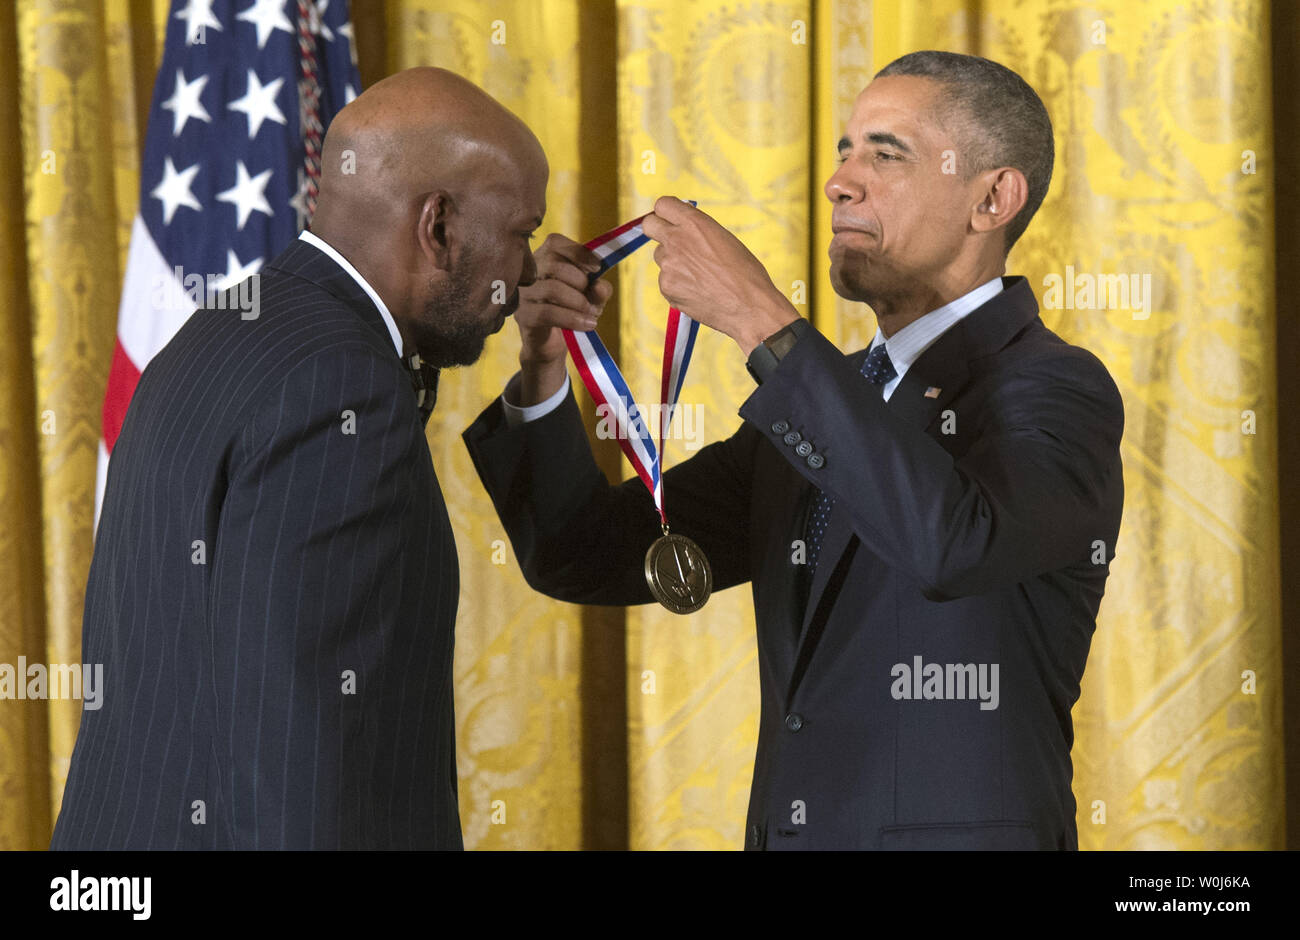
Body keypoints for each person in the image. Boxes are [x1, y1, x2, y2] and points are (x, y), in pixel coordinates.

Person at [464, 51, 1125, 850]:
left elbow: (954, 545)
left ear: (993, 198)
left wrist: (757, 318)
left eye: (885, 153)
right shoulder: (819, 395)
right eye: (845, 150)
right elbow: (582, 554)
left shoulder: (1057, 388)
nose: (840, 181)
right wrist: (542, 362)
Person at [51, 67, 608, 849]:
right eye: (520, 232)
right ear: (438, 226)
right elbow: (307, 754)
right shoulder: (345, 388)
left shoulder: (221, 333)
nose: (523, 274)